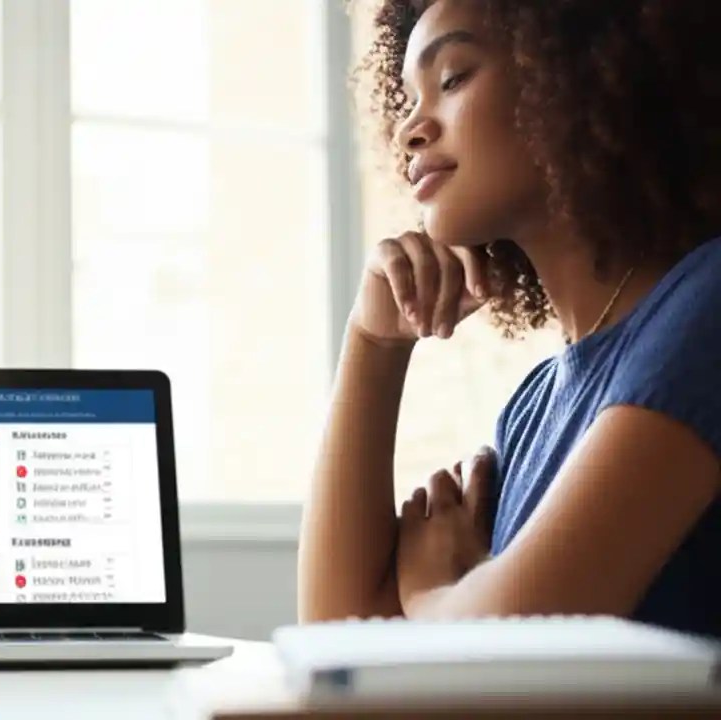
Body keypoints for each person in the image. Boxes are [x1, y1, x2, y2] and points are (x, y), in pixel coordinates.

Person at [297, 0, 721, 636]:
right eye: (408, 97)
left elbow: (525, 639)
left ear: (577, 78)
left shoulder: (708, 304)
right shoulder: (533, 408)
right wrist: (373, 340)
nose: (409, 130)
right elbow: (341, 642)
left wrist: (438, 587)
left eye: (453, 79)